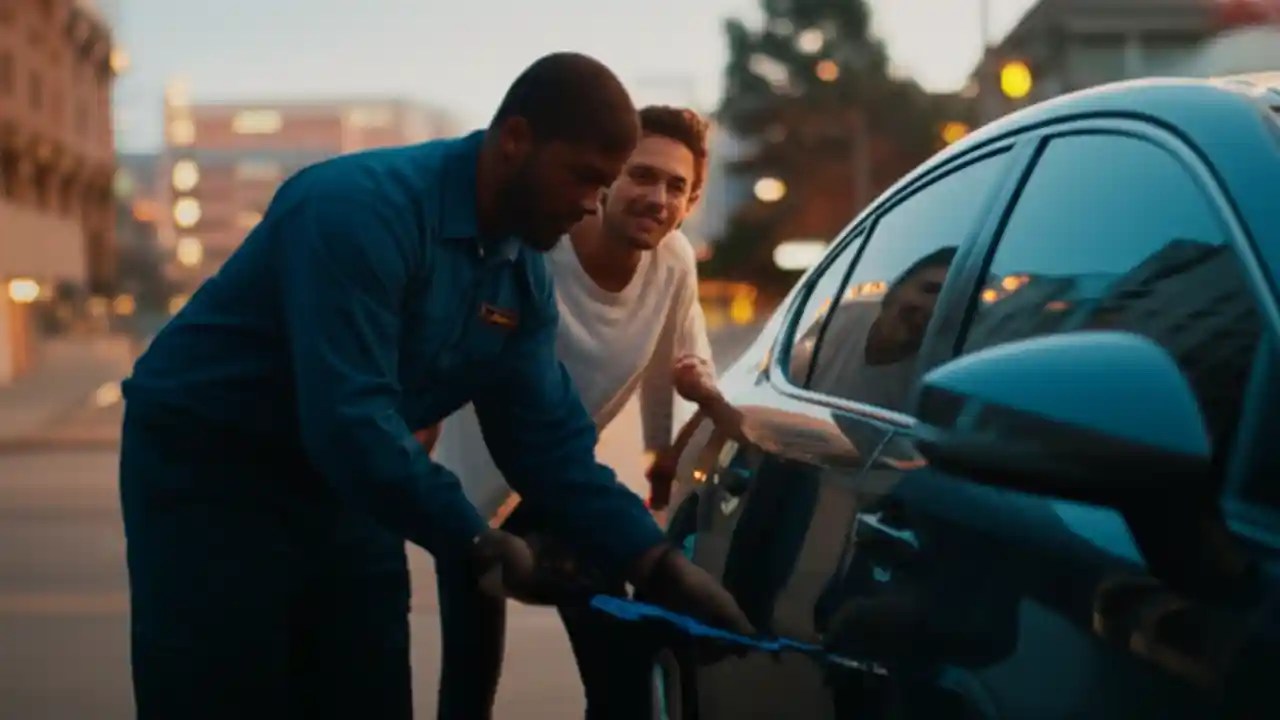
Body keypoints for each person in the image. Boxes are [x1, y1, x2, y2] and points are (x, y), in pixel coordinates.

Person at [118, 52, 752, 720]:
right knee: (225, 685)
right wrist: (475, 537)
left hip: (347, 479)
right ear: (516, 140)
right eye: (583, 177)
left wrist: (655, 562)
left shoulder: (520, 270)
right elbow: (349, 418)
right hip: (214, 467)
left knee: (365, 680)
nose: (591, 203)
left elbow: (546, 443)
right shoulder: (356, 210)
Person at [422, 104, 716, 719]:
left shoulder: (673, 262)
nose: (657, 197)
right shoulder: (539, 249)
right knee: (471, 676)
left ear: (690, 202)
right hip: (474, 487)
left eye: (676, 186)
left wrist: (659, 470)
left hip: (567, 483)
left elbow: (668, 370)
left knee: (620, 674)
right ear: (606, 178)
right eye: (642, 175)